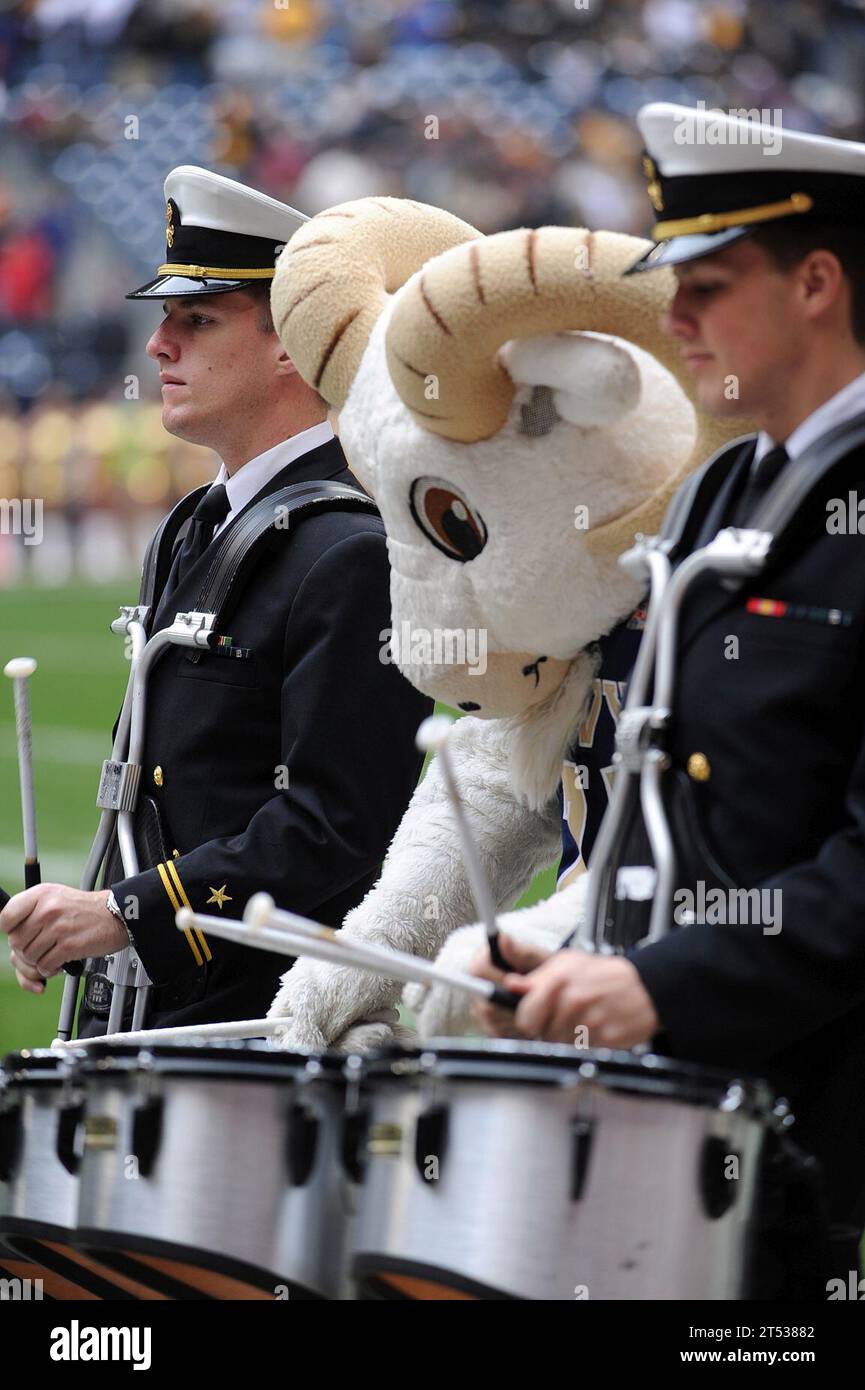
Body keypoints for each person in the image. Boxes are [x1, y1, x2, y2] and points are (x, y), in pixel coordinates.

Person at [471, 102, 865, 1290]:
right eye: (671, 286)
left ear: (817, 283)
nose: (675, 320)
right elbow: (663, 816)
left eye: (711, 284)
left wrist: (657, 984)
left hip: (815, 1151)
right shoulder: (716, 494)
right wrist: (565, 950)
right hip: (669, 1121)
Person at [1, 165, 431, 1036]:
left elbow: (338, 829)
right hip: (152, 1012)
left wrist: (126, 913)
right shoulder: (198, 522)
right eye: (166, 319)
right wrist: (95, 914)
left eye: (196, 320)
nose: (159, 345)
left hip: (260, 1038)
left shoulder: (350, 548)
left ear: (290, 343)